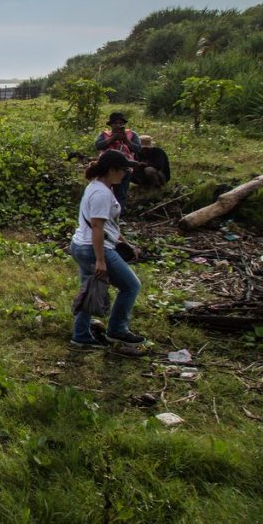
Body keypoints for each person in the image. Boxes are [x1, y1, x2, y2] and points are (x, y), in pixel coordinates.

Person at [69, 149, 146, 348]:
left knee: (90, 290)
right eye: (123, 170)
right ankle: (117, 330)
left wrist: (124, 243)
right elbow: (97, 226)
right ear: (111, 170)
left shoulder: (99, 187)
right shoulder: (101, 193)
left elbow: (108, 225)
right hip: (92, 247)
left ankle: (81, 335)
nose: (126, 173)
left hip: (82, 245)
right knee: (130, 286)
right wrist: (101, 259)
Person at [95, 112, 141, 208]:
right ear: (111, 125)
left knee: (121, 192)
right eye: (116, 123)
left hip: (124, 166)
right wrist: (113, 138)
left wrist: (126, 140)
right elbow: (98, 145)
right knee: (104, 191)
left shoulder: (132, 135)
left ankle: (119, 216)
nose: (118, 125)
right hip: (106, 166)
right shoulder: (105, 135)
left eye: (121, 123)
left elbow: (137, 149)